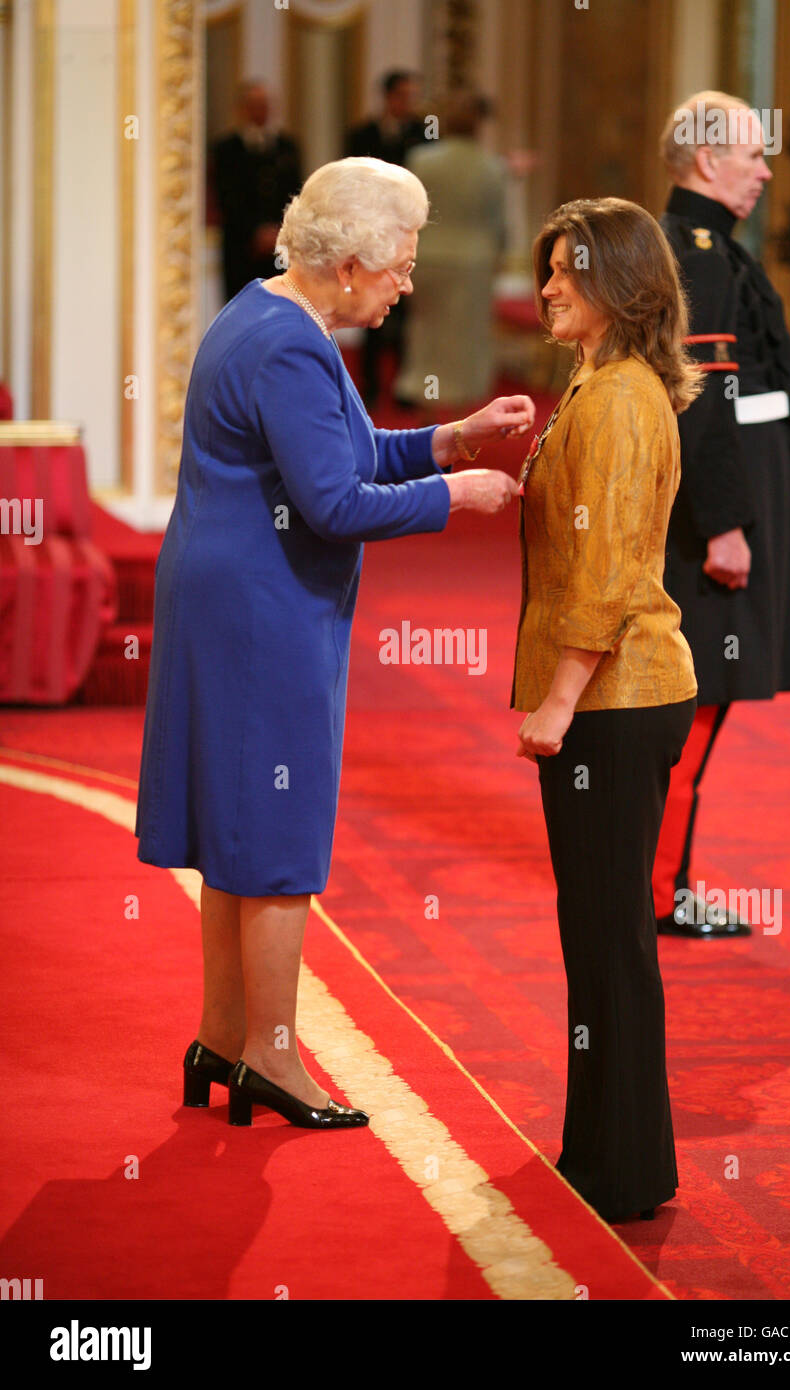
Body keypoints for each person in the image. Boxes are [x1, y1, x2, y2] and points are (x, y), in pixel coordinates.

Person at [136, 157, 532, 1131]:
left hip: (231, 597)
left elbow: (338, 456)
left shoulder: (270, 315)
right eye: (398, 263)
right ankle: (272, 1055)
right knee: (273, 837)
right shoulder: (293, 348)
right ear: (349, 264)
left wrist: (447, 440)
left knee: (236, 826)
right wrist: (455, 497)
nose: (407, 279)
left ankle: (223, 1039)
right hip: (261, 614)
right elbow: (333, 503)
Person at [512, 197, 700, 1223]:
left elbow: (609, 571)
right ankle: (603, 1150)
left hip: (615, 698)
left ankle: (623, 1170)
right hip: (611, 695)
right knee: (595, 931)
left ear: (618, 285)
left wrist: (556, 701)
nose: (545, 288)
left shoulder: (623, 397)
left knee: (610, 934)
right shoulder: (599, 380)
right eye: (545, 271)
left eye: (565, 274)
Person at [654, 92, 790, 938]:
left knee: (704, 702)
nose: (765, 172)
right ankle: (657, 890)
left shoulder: (709, 246)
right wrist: (725, 523)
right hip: (717, 508)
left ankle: (662, 882)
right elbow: (700, 402)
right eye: (751, 156)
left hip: (741, 491)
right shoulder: (698, 254)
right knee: (692, 703)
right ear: (703, 159)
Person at [395, 89, 507, 411]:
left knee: (426, 339)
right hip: (472, 264)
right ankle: (460, 419)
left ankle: (426, 410)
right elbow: (498, 226)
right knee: (464, 345)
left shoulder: (421, 159)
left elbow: (407, 214)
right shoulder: (492, 168)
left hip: (427, 259)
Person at [345, 71, 427, 407]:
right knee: (371, 308)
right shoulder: (361, 135)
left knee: (407, 316)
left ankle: (405, 388)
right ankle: (371, 388)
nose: (408, 102)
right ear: (389, 97)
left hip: (410, 235)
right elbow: (352, 184)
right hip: (372, 236)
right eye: (403, 95)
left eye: (413, 96)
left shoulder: (424, 135)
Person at [213, 80, 302, 302]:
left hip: (279, 247)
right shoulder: (225, 150)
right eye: (253, 104)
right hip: (241, 248)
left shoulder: (287, 147)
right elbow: (226, 196)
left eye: (264, 104)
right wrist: (255, 232)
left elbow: (296, 194)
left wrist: (278, 230)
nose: (260, 110)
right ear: (242, 109)